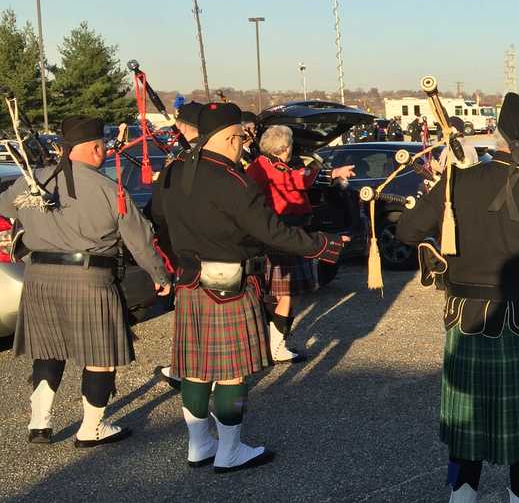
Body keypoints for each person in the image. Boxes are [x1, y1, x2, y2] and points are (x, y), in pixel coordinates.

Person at [394, 92, 519, 503]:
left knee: (468, 434)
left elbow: (407, 232)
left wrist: (437, 203)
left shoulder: (455, 184)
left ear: (496, 134)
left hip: (464, 323)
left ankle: (462, 498)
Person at [153, 102, 346, 472]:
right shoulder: (233, 179)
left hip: (189, 280)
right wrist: (323, 245)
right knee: (230, 373)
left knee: (194, 369)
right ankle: (230, 450)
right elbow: (271, 231)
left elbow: (158, 216)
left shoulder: (174, 170)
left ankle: (199, 445)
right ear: (227, 137)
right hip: (229, 282)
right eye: (241, 138)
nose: (244, 145)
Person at [2, 116, 171, 446]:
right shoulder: (110, 189)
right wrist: (160, 276)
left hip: (38, 277)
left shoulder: (32, 181)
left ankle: (40, 423)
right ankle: (92, 428)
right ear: (95, 148)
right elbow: (139, 240)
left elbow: (4, 208)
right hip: (89, 277)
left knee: (48, 350)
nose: (106, 153)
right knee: (100, 354)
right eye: (103, 147)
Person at [245, 125, 356, 362]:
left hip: (280, 232)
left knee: (279, 294)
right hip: (284, 234)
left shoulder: (262, 163)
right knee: (287, 293)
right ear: (284, 148)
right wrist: (334, 173)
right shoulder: (270, 166)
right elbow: (294, 180)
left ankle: (272, 342)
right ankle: (276, 347)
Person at [154, 100, 205, 389]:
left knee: (189, 316)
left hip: (187, 253)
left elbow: (158, 210)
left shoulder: (177, 163)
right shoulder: (229, 160)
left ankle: (183, 369)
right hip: (227, 254)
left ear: (184, 127)